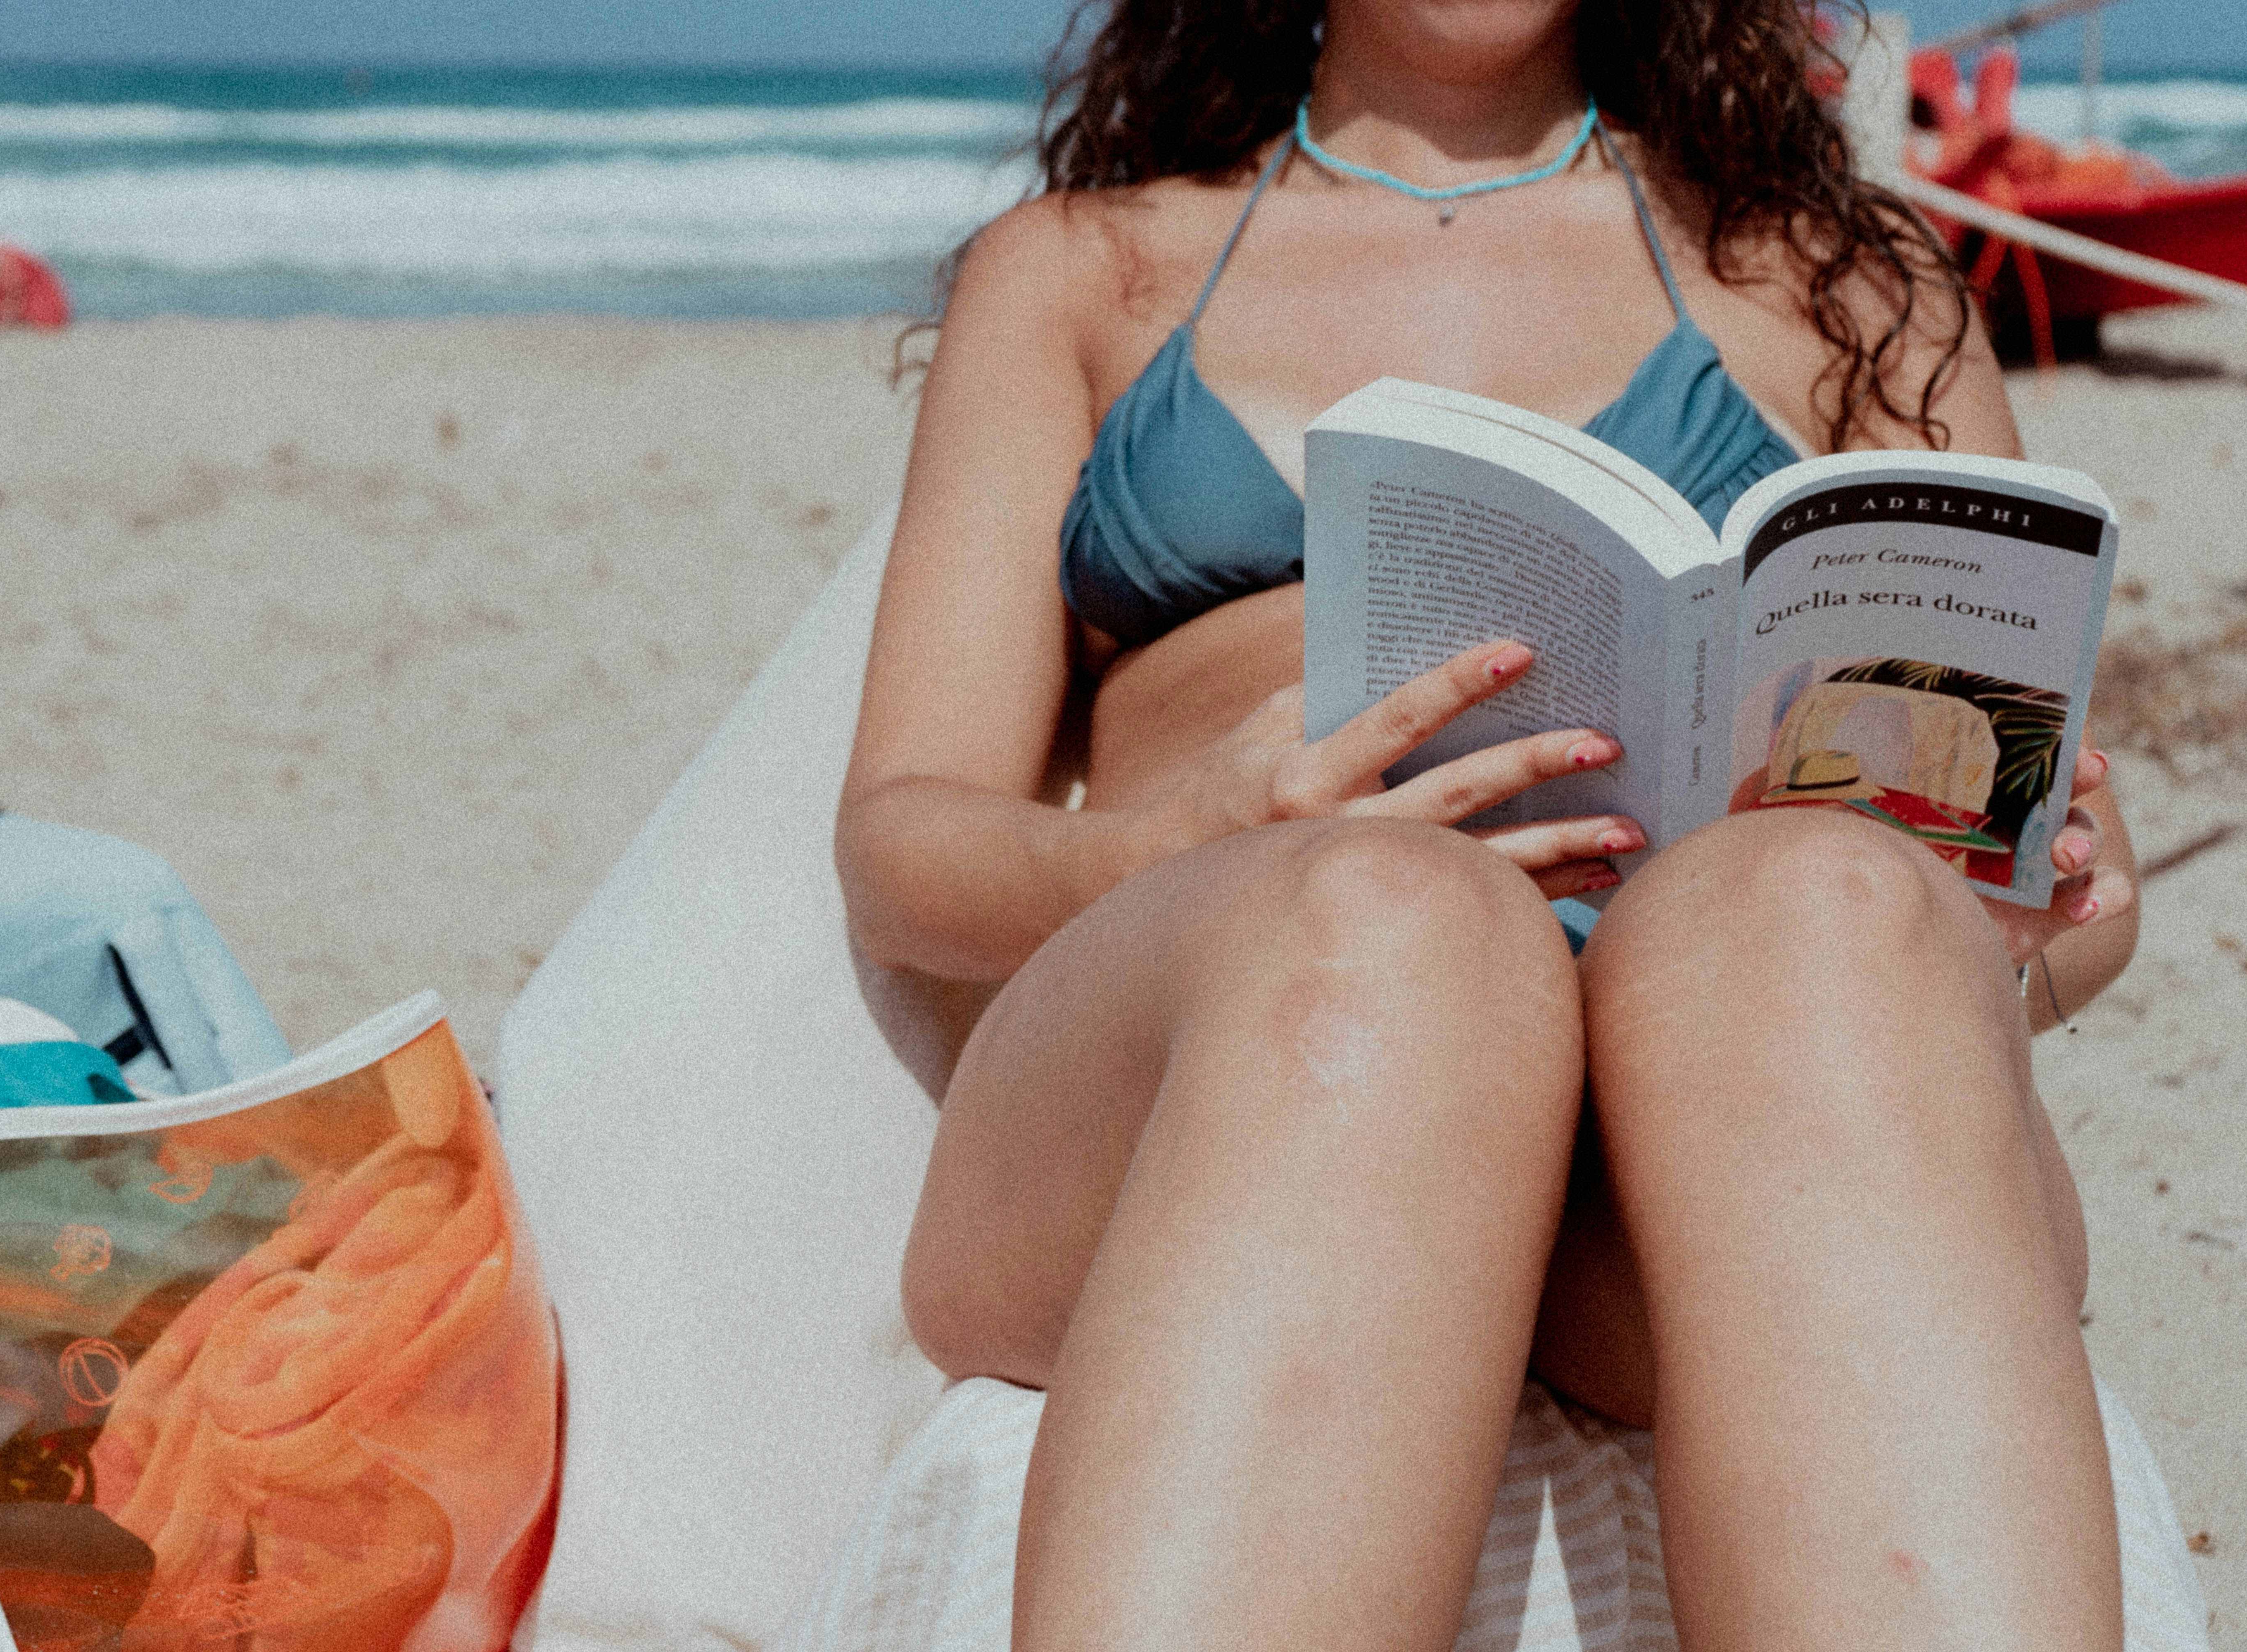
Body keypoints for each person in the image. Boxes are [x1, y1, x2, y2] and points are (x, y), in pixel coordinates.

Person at [834, 0, 2140, 1645]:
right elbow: (901, 844)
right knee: (1391, 916)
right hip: (1219, 1024)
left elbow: (2083, 899)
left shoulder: (1845, 277)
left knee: (1825, 899)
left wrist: (2001, 915)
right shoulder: (1082, 271)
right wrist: (1163, 840)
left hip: (1687, 1095)